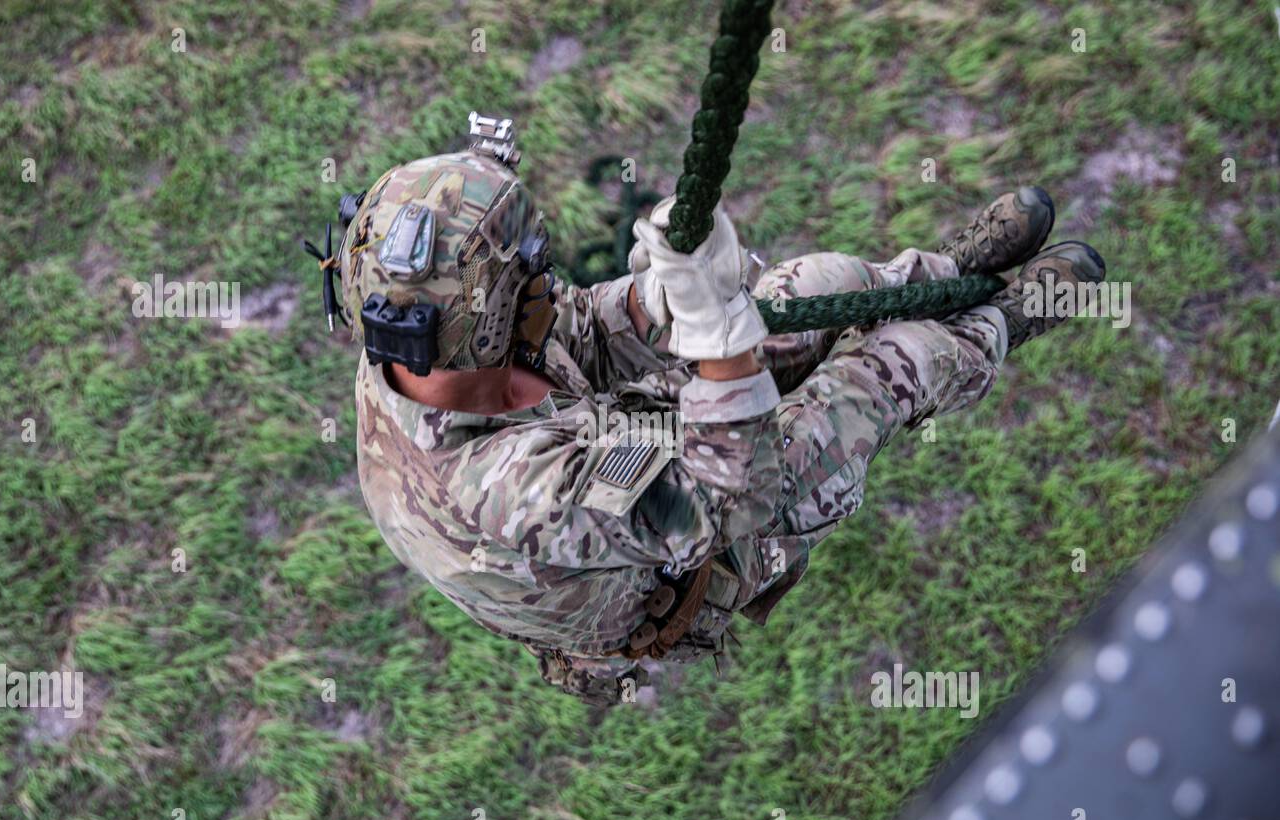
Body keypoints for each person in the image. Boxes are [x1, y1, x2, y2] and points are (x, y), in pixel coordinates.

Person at [338, 116, 1105, 705]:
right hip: (693, 545)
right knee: (878, 376)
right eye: (530, 271)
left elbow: (577, 329)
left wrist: (657, 298)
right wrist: (715, 328)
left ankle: (945, 277)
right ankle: (994, 323)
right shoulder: (506, 492)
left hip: (619, 446)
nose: (547, 274)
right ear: (491, 322)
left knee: (810, 288)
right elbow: (731, 492)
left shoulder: (433, 354)